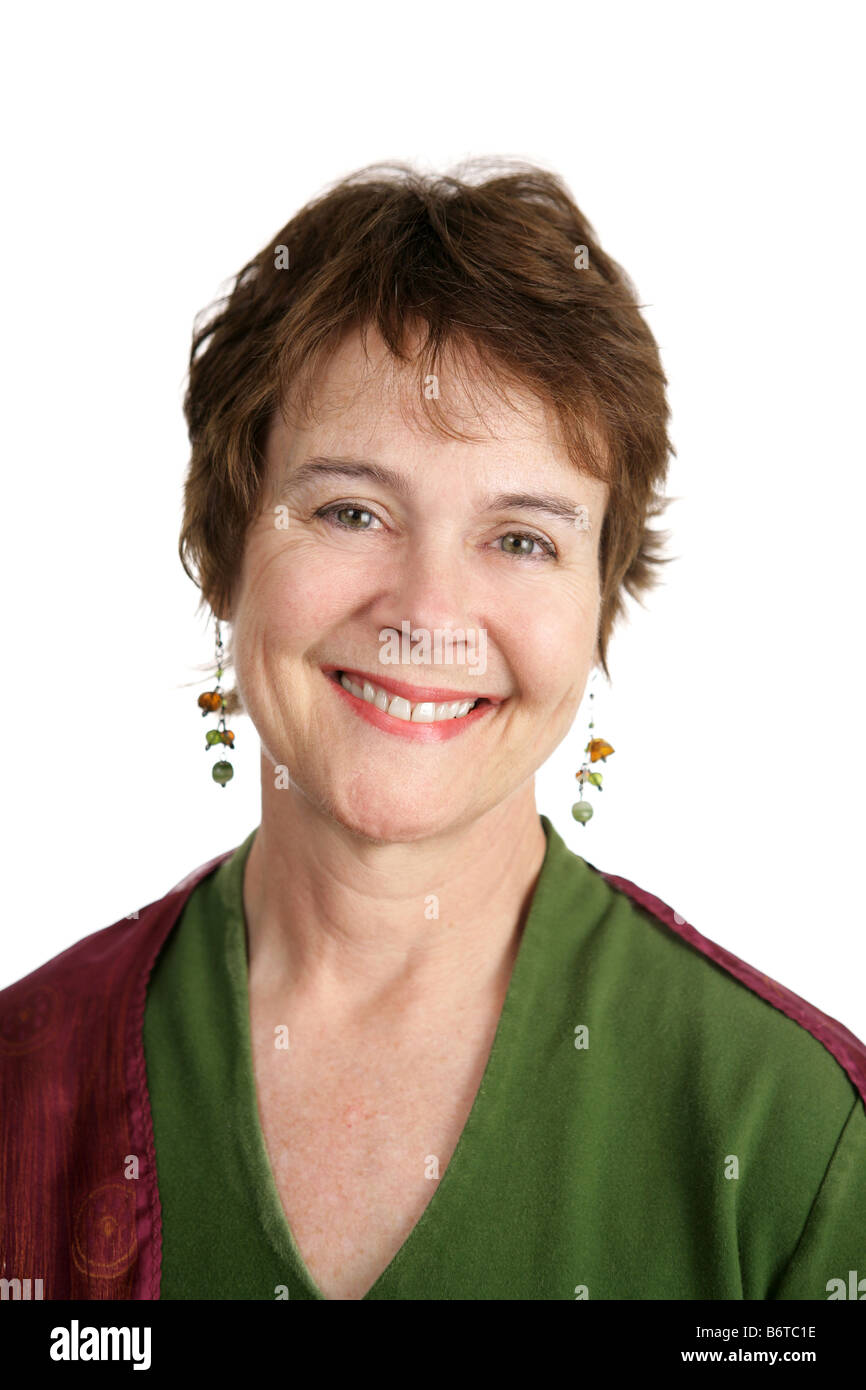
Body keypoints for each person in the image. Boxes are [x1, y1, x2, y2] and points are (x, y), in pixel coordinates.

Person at [2, 160, 864, 1302]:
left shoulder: (798, 1138)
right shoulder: (25, 1087)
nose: (423, 615)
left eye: (518, 538)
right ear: (223, 551)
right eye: (350, 510)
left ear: (596, 604)